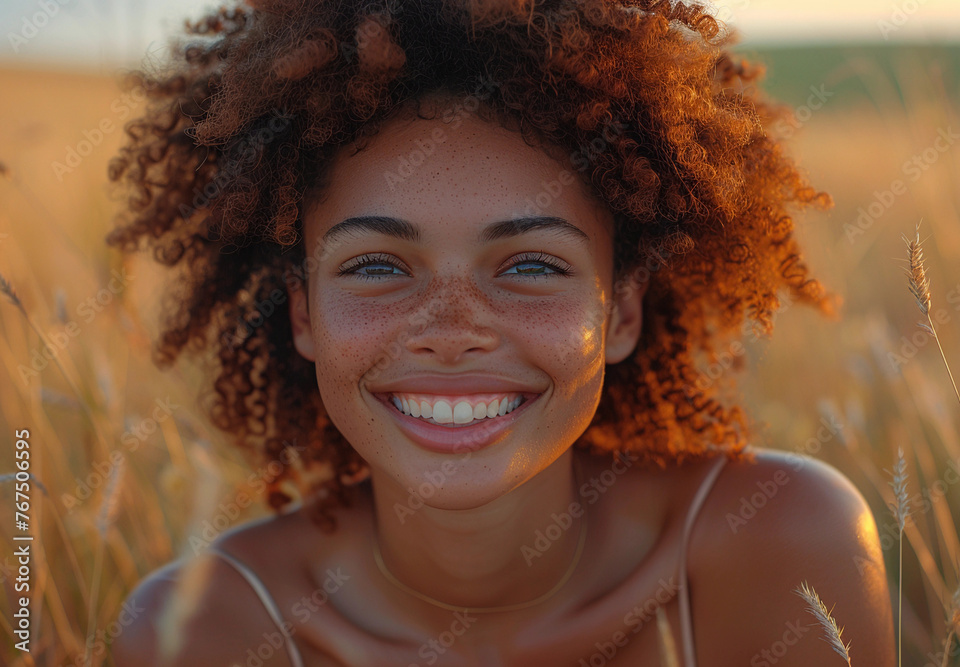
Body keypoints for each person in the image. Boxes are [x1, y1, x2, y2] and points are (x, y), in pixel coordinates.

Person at [107, 0, 895, 664]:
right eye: (379, 266)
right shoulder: (201, 632)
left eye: (529, 265)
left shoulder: (779, 545)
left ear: (619, 311)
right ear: (303, 312)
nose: (451, 331)